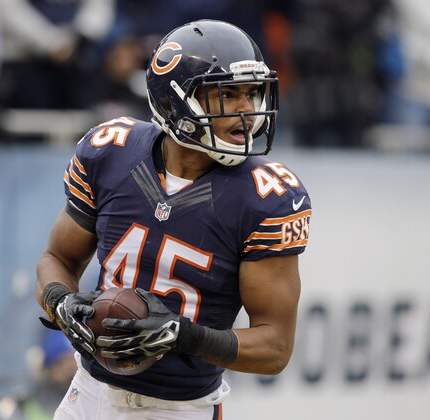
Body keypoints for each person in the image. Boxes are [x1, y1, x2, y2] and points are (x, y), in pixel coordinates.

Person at [35, 19, 311, 419]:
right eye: (227, 94)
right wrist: (60, 301)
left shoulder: (265, 198)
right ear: (174, 101)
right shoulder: (111, 153)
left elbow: (275, 348)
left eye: (251, 93)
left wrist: (182, 335)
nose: (246, 111)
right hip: (89, 392)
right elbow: (57, 258)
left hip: (178, 408)